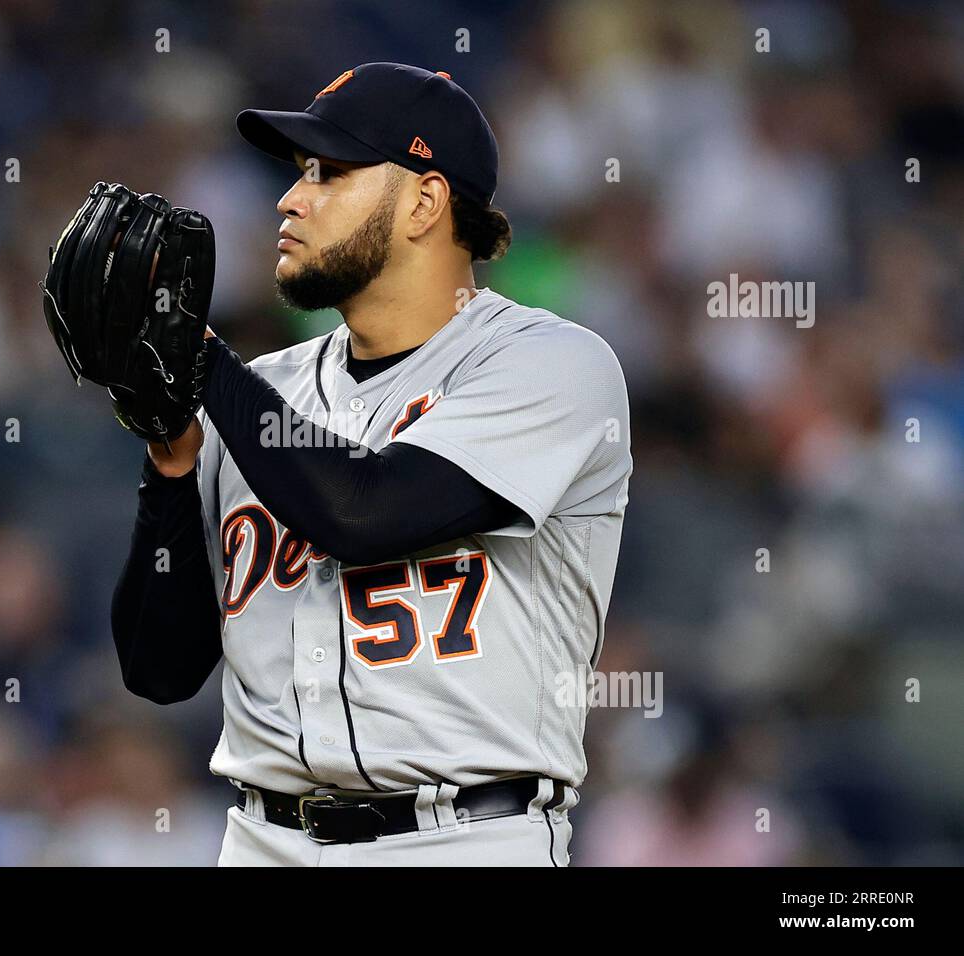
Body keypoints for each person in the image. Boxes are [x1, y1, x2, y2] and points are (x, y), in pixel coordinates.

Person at [111, 63, 632, 866]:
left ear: (425, 202)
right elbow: (159, 668)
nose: (291, 199)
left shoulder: (551, 365)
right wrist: (170, 461)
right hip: (260, 840)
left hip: (466, 839)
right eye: (297, 174)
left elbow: (364, 512)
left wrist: (203, 356)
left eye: (330, 172)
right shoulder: (264, 395)